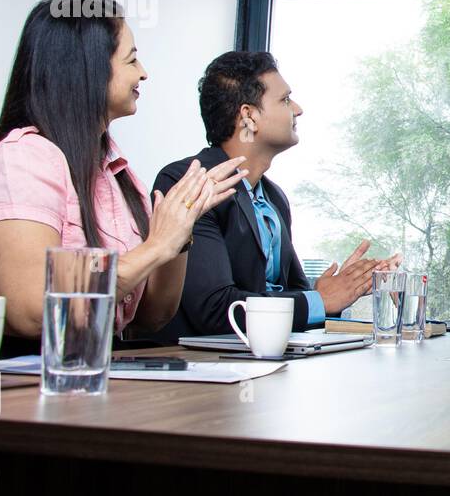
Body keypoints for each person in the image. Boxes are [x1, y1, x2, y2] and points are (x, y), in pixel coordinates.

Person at [0, 0, 246, 356]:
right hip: (22, 372)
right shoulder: (21, 159)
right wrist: (156, 246)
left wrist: (178, 235)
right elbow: (32, 311)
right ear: (86, 68)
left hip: (94, 365)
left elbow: (151, 317)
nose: (143, 72)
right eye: (131, 59)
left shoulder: (115, 173)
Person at [149, 51, 397, 343]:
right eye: (285, 100)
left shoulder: (274, 198)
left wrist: (340, 289)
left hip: (265, 363)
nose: (298, 109)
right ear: (249, 116)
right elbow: (214, 309)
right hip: (203, 373)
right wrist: (319, 300)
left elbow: (303, 300)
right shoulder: (188, 181)